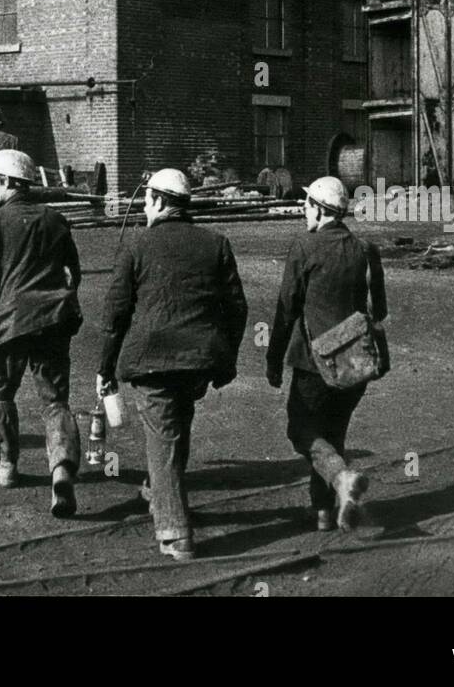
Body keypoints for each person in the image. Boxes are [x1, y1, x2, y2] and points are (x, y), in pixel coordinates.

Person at [96, 167, 248, 561]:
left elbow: (115, 316)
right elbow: (237, 309)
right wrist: (225, 360)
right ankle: (157, 492)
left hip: (152, 361)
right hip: (199, 361)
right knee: (175, 430)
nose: (145, 208)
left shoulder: (136, 246)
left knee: (162, 437)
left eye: (147, 201)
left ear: (160, 202)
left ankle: (175, 531)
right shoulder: (216, 244)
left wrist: (105, 368)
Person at [0, 148, 82, 517]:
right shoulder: (55, 219)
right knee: (54, 399)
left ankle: (6, 463)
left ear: (8, 183)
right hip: (52, 320)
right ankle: (61, 469)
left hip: (9, 322)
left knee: (1, 391)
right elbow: (73, 273)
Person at [265, 175, 387, 532]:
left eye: (307, 205)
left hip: (313, 363)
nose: (304, 211)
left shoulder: (305, 246)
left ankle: (341, 478)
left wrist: (273, 361)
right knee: (334, 433)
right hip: (356, 363)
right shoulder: (366, 248)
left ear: (319, 209)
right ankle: (323, 512)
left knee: (301, 430)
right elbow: (378, 309)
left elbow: (286, 308)